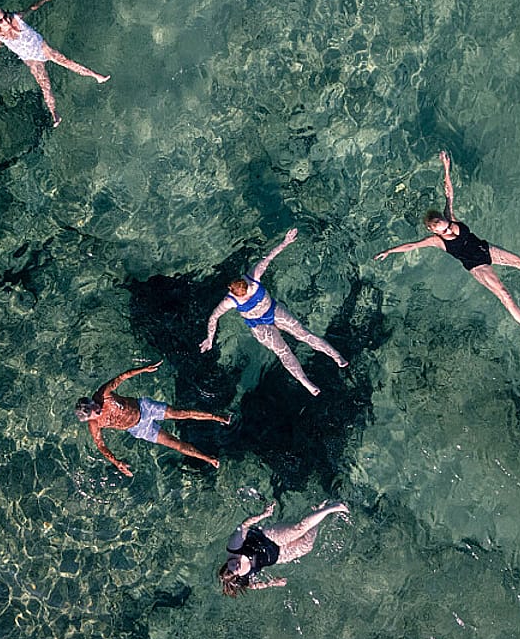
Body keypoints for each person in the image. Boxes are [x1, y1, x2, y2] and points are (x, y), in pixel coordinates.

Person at [373, 151, 520, 341]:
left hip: (485, 248)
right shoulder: (435, 241)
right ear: (434, 230)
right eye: (443, 230)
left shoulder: (450, 218)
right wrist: (389, 251)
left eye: (447, 226)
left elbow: (449, 192)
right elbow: (411, 246)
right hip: (476, 266)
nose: (448, 231)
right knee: (504, 293)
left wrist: (446, 168)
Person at [200, 229, 349, 396]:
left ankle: (335, 355)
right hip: (259, 324)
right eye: (244, 296)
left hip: (273, 309)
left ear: (245, 284)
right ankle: (305, 381)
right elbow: (214, 317)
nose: (247, 295)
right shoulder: (229, 301)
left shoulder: (254, 276)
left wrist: (286, 242)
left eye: (247, 291)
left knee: (304, 334)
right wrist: (209, 338)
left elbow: (269, 258)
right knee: (283, 351)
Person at [0, 0, 110, 127]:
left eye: (5, 16)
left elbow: (31, 9)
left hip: (42, 49)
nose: (5, 21)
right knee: (45, 85)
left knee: (66, 62)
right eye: (0, 21)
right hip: (31, 60)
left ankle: (96, 76)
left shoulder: (16, 18)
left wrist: (44, 0)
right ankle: (54, 113)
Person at [73, 361, 230, 477]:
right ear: (89, 419)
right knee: (174, 443)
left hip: (145, 408)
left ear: (92, 402)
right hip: (139, 429)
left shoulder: (102, 394)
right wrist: (117, 462)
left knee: (180, 413)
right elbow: (101, 445)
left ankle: (218, 417)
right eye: (95, 414)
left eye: (96, 408)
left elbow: (121, 377)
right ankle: (210, 459)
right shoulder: (94, 424)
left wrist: (144, 369)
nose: (98, 411)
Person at [218, 501, 350, 597]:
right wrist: (273, 583)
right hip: (277, 556)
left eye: (232, 563)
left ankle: (332, 508)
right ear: (237, 576)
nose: (236, 563)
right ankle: (319, 509)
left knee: (299, 528)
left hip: (268, 537)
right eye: (236, 568)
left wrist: (263, 515)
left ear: (226, 563)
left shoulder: (233, 548)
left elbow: (243, 526)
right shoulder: (242, 578)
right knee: (307, 545)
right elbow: (254, 586)